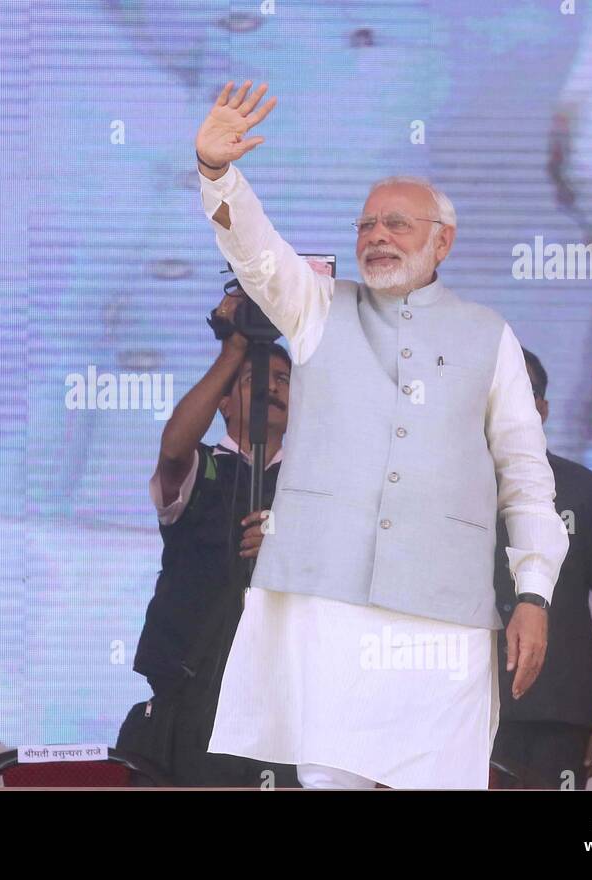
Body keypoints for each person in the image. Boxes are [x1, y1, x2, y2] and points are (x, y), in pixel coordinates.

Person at [193, 82, 569, 789]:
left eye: (397, 224)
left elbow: (524, 474)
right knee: (331, 782)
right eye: (366, 226)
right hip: (327, 601)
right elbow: (259, 256)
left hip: (444, 614)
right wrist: (218, 174)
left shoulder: (489, 335)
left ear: (442, 240)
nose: (377, 237)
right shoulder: (316, 310)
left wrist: (534, 593)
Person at [120, 290, 299, 787]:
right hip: (192, 692)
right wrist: (233, 350)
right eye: (253, 380)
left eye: (283, 379)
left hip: (285, 696)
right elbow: (173, 447)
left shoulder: (314, 485)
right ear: (222, 401)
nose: (271, 387)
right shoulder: (204, 465)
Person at [491, 349, 592, 789]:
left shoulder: (585, 489)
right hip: (460, 701)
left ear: (542, 407)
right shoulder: (448, 487)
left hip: (557, 708)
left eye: (524, 394)